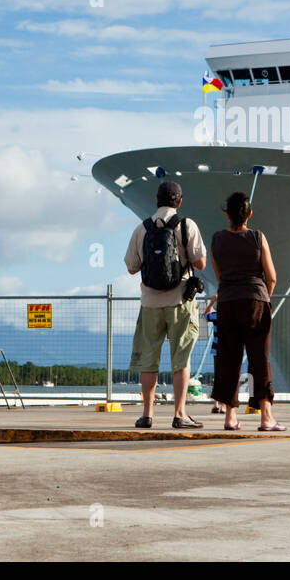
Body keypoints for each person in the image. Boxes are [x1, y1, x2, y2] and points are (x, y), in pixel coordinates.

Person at [124, 180, 206, 429]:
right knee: (181, 358)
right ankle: (180, 414)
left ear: (156, 200)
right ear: (179, 201)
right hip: (180, 299)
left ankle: (147, 414)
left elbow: (131, 267)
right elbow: (200, 263)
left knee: (149, 359)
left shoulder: (142, 228)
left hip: (150, 302)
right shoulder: (186, 225)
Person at [206, 192, 282, 431]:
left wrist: (231, 290)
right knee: (259, 359)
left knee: (229, 359)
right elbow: (271, 277)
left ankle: (230, 416)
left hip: (228, 302)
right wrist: (263, 298)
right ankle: (266, 417)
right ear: (249, 214)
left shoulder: (217, 239)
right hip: (256, 301)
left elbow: (219, 277)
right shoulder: (258, 238)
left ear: (227, 214)